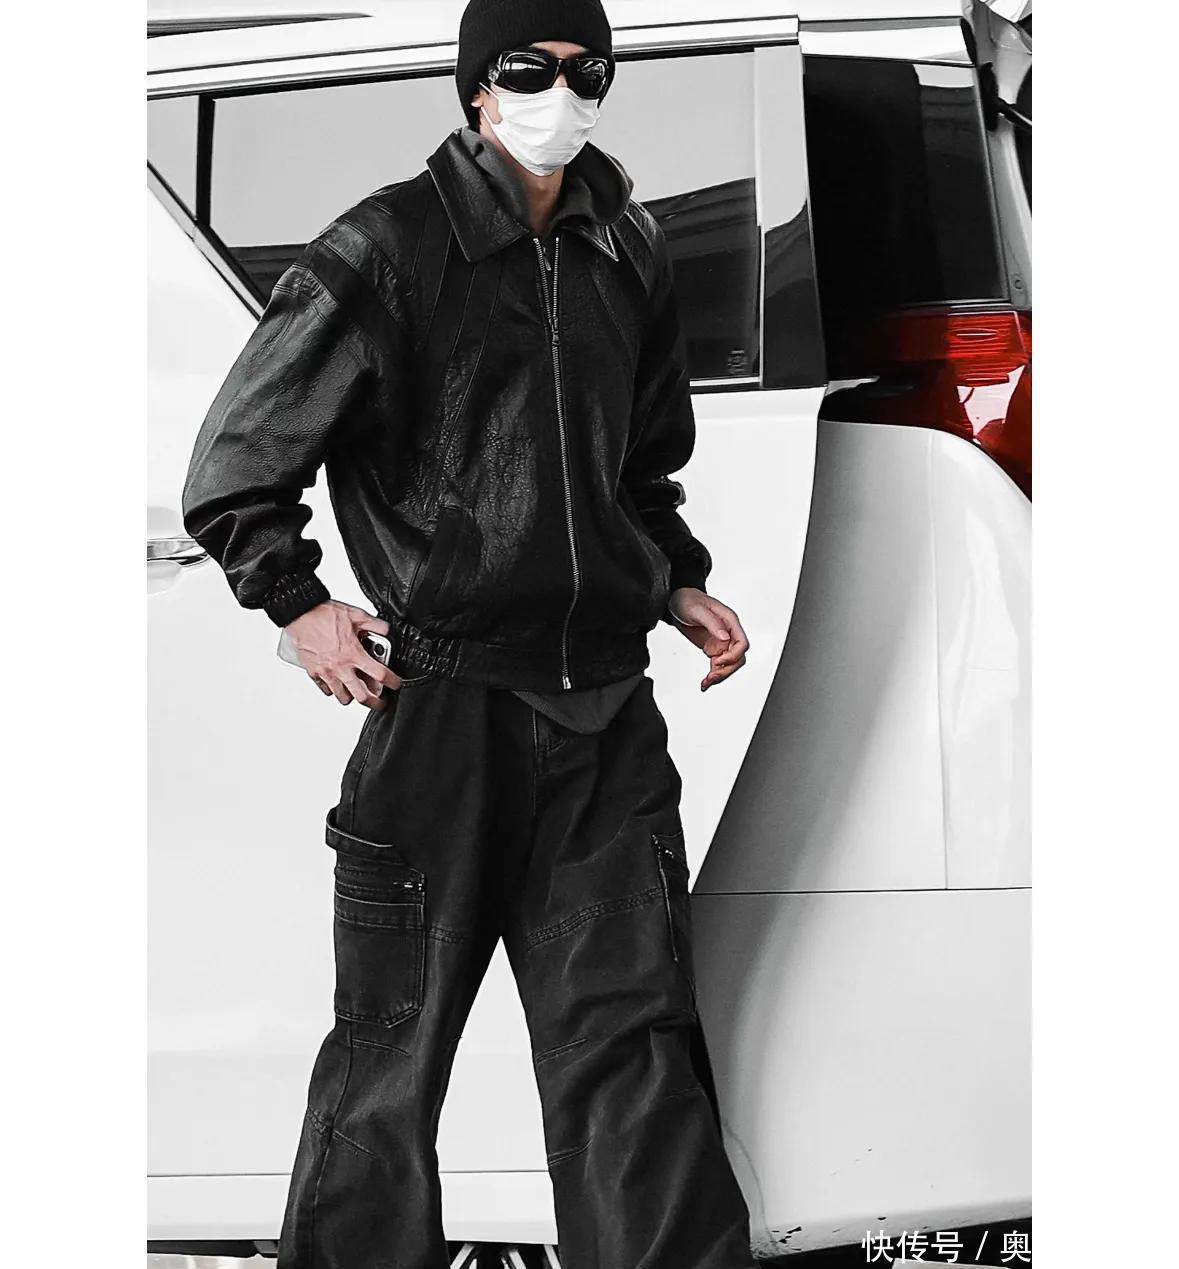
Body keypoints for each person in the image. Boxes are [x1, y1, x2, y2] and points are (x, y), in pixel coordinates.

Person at [181, 0, 754, 1264]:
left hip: (603, 718)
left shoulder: (629, 247)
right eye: (529, 68)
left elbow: (640, 468)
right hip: (440, 712)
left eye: (588, 71)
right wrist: (299, 604)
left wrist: (674, 581)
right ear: (476, 88)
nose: (562, 93)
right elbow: (235, 468)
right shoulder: (386, 247)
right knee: (389, 1062)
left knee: (634, 1055)